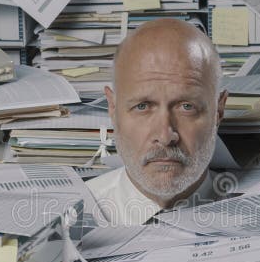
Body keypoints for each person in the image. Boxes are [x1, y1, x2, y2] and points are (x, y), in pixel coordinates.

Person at [87, 18, 228, 226]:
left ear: (219, 110)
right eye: (142, 106)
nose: (165, 136)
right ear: (113, 108)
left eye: (187, 107)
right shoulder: (72, 216)